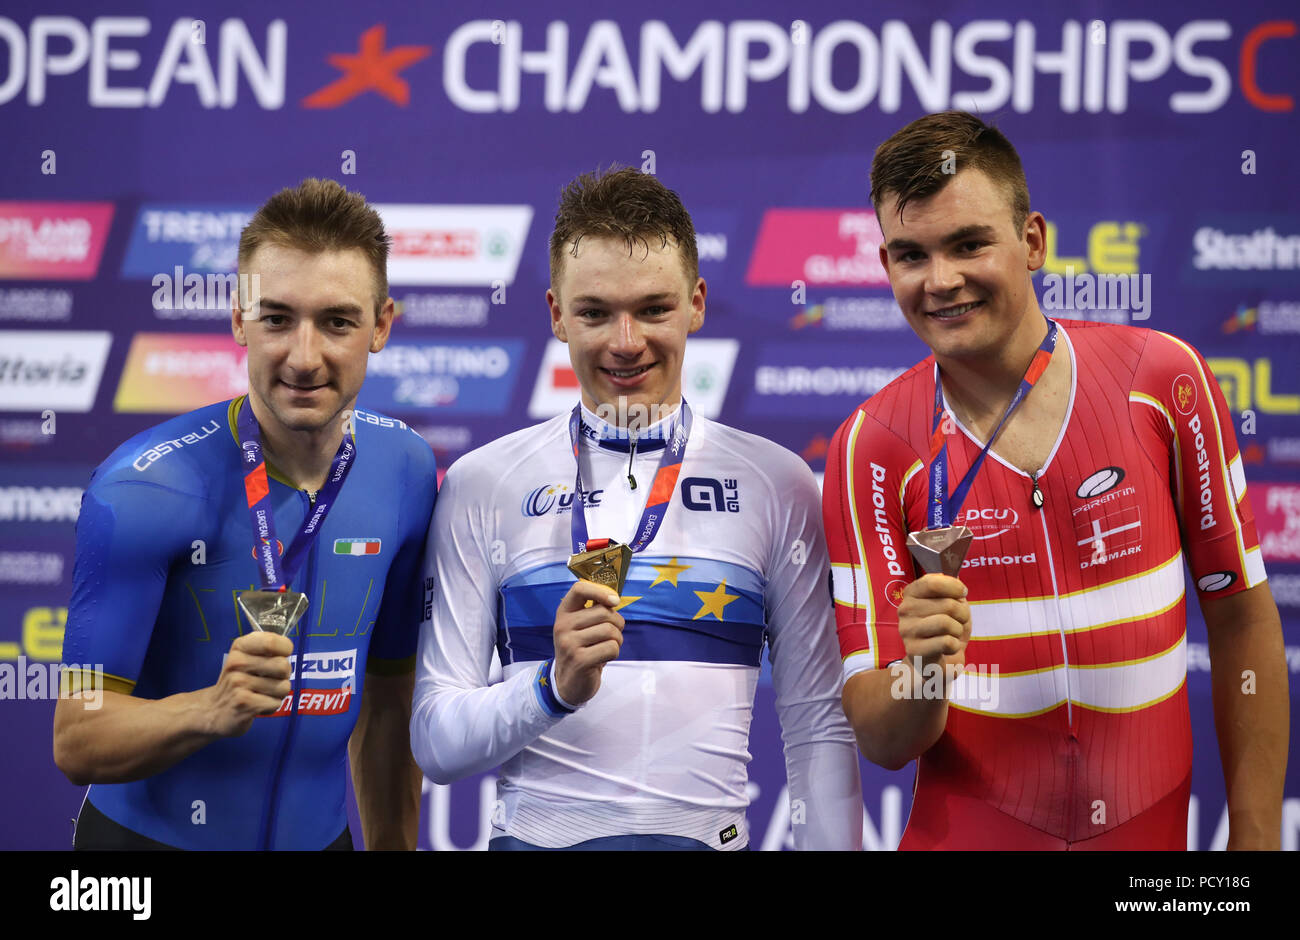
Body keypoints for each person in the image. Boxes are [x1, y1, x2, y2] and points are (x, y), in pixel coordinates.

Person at [824, 111, 1289, 850]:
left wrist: (1257, 840)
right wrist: (923, 671)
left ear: (1032, 241)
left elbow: (1241, 618)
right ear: (885, 267)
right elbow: (884, 739)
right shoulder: (871, 448)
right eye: (912, 255)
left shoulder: (1162, 380)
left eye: (969, 244)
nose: (941, 281)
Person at [410, 167, 862, 850]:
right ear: (557, 313)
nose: (625, 342)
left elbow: (817, 723)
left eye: (653, 308)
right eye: (594, 312)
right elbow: (437, 742)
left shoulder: (777, 481)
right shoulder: (483, 483)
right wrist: (550, 688)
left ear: (697, 303)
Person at [53, 179, 436, 850]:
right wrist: (209, 708)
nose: (304, 356)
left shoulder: (405, 472)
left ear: (381, 326)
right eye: (277, 318)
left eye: (337, 321)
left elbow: (387, 707)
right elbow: (77, 735)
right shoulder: (144, 487)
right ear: (239, 319)